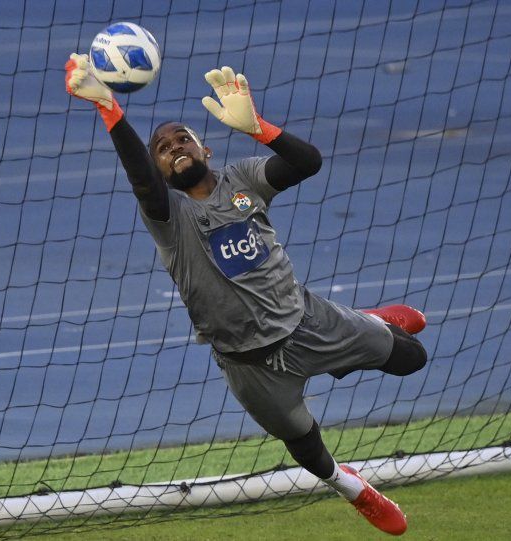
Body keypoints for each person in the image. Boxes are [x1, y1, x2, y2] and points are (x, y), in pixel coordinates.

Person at [65, 54, 427, 536]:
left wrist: (258, 127)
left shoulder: (244, 179)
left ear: (205, 149)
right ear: (158, 169)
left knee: (412, 359)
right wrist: (110, 108)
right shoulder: (167, 217)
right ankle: (352, 488)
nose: (174, 147)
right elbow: (142, 182)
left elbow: (308, 162)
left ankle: (372, 323)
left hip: (309, 322)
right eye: (162, 148)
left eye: (182, 139)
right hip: (249, 364)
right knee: (307, 447)